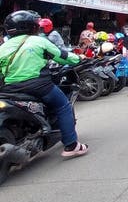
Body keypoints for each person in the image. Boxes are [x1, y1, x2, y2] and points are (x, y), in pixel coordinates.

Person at [0, 10, 88, 158]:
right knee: (63, 106)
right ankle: (72, 145)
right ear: (30, 26)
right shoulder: (38, 41)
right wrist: (79, 58)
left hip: (9, 89)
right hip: (39, 86)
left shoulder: (3, 47)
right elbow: (63, 56)